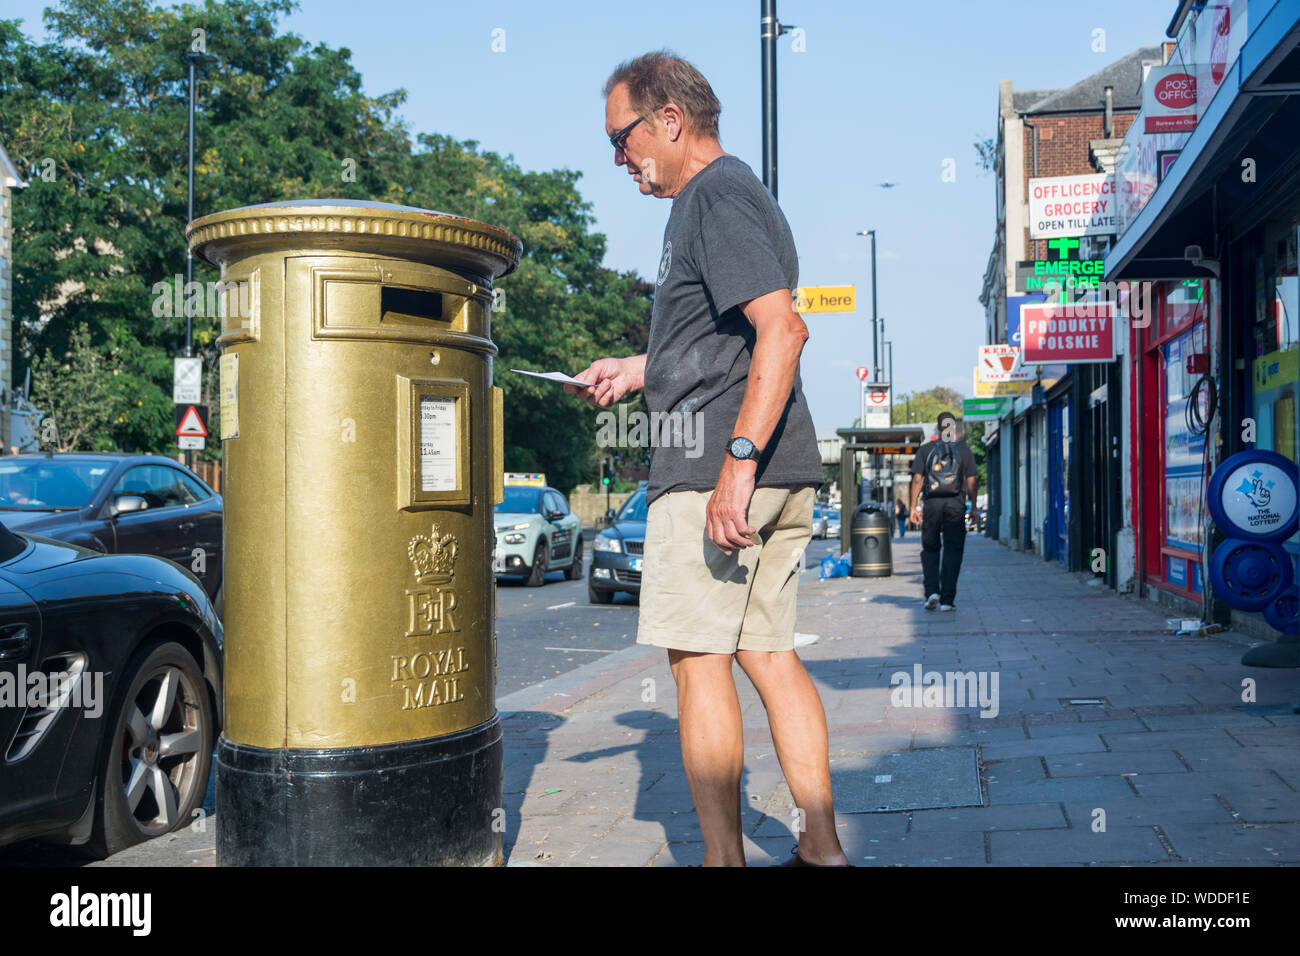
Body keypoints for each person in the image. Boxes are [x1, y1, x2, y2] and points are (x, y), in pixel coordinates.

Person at [567, 51, 849, 867]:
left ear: (669, 120)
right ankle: (822, 849)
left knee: (698, 666)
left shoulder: (712, 196)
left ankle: (722, 861)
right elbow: (723, 344)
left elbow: (783, 329)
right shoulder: (737, 196)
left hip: (715, 472)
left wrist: (734, 464)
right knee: (767, 653)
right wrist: (637, 367)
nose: (621, 160)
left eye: (622, 140)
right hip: (778, 462)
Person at [908, 412, 977, 611]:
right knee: (953, 551)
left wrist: (913, 507)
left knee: (930, 548)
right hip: (955, 505)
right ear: (953, 428)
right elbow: (972, 481)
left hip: (932, 505)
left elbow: (917, 479)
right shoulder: (964, 450)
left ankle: (932, 592)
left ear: (938, 429)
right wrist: (972, 507)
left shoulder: (926, 450)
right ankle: (947, 600)